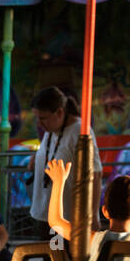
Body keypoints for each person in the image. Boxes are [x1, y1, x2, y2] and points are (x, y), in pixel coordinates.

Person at [28, 86, 101, 240]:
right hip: (44, 214)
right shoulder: (52, 129)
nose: (39, 123)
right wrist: (37, 158)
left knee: (61, 255)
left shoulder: (80, 132)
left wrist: (94, 216)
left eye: (43, 118)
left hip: (66, 218)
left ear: (60, 112)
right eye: (37, 118)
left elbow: (96, 174)